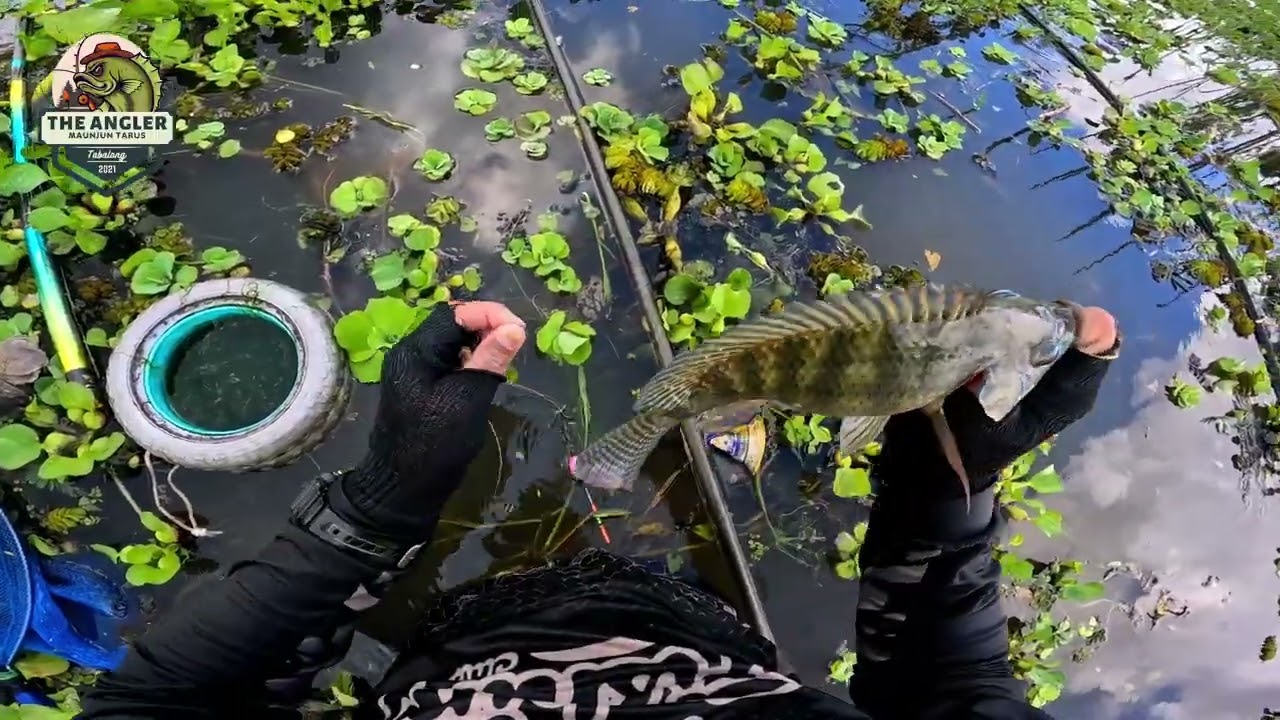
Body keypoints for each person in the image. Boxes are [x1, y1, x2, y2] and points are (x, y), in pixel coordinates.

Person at [81, 297, 1119, 719]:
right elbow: (955, 688)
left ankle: (606, 475)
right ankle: (620, 475)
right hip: (700, 632)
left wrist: (376, 507)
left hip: (445, 655)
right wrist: (940, 490)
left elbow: (150, 710)